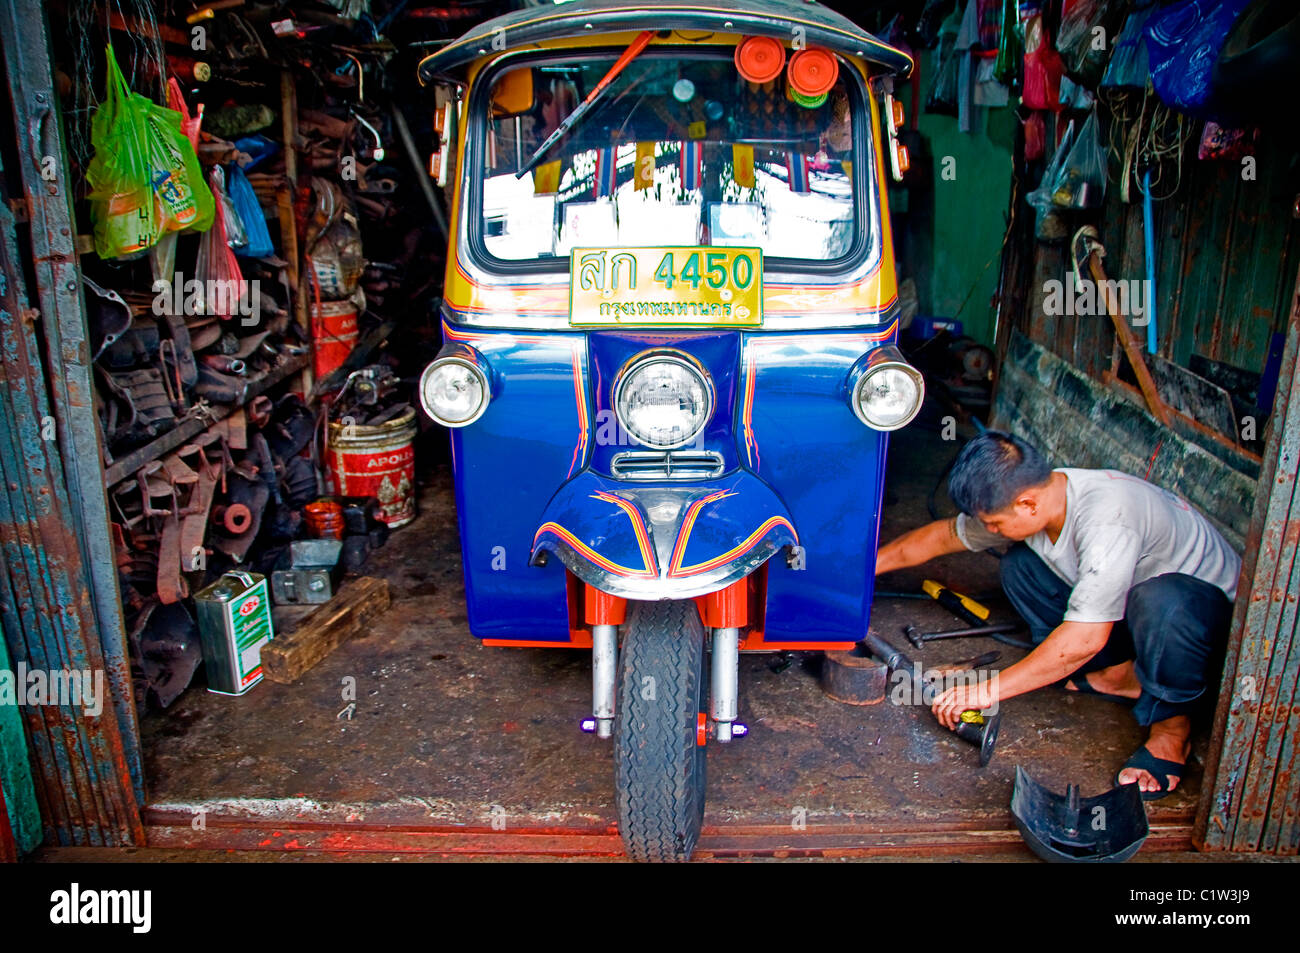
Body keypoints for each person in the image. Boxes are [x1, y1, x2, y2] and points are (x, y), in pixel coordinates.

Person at [875, 431, 1240, 800]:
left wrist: (988, 691)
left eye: (995, 524)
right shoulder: (1039, 495)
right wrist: (861, 571)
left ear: (1028, 504)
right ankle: (1119, 674)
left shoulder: (1107, 520)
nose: (990, 531)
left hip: (1199, 632)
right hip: (1137, 617)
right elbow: (942, 538)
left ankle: (1172, 729)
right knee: (1021, 567)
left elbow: (1085, 639)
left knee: (1162, 600)